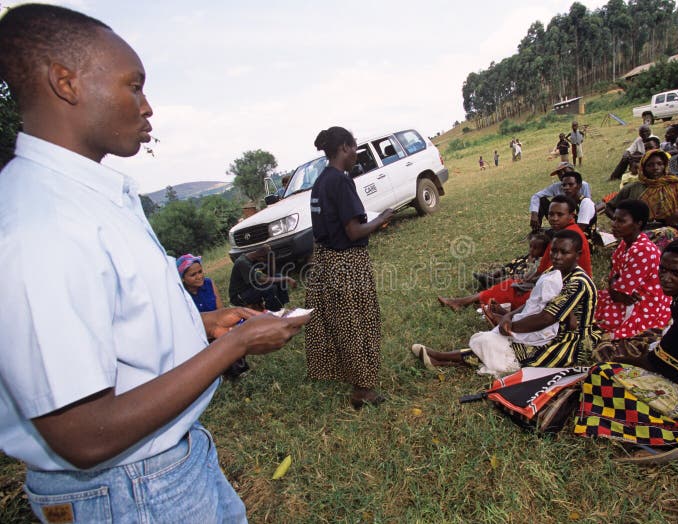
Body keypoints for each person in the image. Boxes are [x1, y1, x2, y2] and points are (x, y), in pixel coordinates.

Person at [0, 4, 309, 521]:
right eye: (134, 85)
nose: (148, 107)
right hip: (124, 489)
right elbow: (83, 433)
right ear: (65, 83)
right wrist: (236, 345)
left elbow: (115, 318)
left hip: (166, 465)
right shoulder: (39, 223)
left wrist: (203, 323)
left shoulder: (93, 198)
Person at [574, 238, 678, 462]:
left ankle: (669, 439)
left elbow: (659, 367)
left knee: (600, 374)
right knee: (645, 336)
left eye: (676, 273)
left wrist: (622, 359)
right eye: (662, 270)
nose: (665, 278)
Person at [418, 230, 598, 371]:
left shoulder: (578, 283)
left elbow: (546, 318)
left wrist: (511, 328)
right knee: (499, 342)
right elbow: (534, 303)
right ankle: (443, 359)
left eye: (564, 252)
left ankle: (443, 359)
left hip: (570, 342)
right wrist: (509, 317)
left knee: (508, 350)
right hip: (550, 331)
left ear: (577, 254)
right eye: (554, 251)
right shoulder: (556, 271)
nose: (557, 256)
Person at [304, 126, 393, 409]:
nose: (356, 153)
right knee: (358, 323)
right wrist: (383, 218)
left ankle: (355, 380)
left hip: (326, 261)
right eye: (354, 147)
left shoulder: (320, 182)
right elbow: (354, 231)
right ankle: (362, 390)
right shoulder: (341, 182)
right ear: (344, 147)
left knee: (342, 324)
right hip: (347, 263)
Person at [439, 196, 592, 311]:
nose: (553, 218)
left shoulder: (569, 237)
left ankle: (464, 302)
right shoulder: (564, 233)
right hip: (554, 283)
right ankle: (465, 301)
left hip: (565, 290)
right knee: (513, 284)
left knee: (514, 290)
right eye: (551, 214)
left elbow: (556, 275)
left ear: (572, 216)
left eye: (560, 214)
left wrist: (531, 282)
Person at [595, 200, 671, 340]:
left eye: (621, 221)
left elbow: (618, 294)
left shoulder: (643, 250)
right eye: (615, 219)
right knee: (591, 302)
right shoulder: (626, 243)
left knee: (600, 321)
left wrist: (614, 284)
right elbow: (616, 287)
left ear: (638, 224)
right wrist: (614, 284)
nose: (614, 224)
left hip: (646, 304)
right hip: (629, 297)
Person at [606, 149, 678, 230]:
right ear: (643, 168)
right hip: (641, 232)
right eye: (650, 165)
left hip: (675, 230)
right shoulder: (632, 188)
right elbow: (609, 207)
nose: (655, 168)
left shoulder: (676, 185)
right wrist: (623, 224)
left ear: (665, 165)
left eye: (659, 164)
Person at [472, 233, 550, 290]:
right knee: (507, 267)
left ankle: (493, 281)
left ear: (543, 251)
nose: (531, 250)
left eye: (535, 248)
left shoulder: (539, 261)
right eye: (530, 246)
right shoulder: (528, 255)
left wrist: (530, 263)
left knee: (511, 278)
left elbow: (530, 274)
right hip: (513, 269)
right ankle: (493, 275)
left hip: (520, 276)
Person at [229, 246, 296, 311]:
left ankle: (283, 306)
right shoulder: (242, 262)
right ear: (260, 258)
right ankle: (273, 311)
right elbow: (262, 279)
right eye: (265, 260)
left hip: (251, 287)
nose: (265, 263)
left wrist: (272, 258)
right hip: (240, 296)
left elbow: (271, 274)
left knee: (279, 277)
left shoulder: (255, 257)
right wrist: (287, 278)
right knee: (270, 288)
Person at [529, 164, 591, 233]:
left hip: (577, 218)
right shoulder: (556, 186)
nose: (562, 174)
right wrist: (534, 213)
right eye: (559, 173)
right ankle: (536, 231)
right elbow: (536, 196)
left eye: (565, 171)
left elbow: (588, 206)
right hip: (561, 216)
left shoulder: (583, 186)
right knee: (542, 200)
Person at [560, 171, 596, 238]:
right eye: (564, 185)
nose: (566, 188)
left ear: (579, 186)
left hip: (582, 241)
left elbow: (579, 229)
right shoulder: (568, 203)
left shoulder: (586, 203)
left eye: (571, 184)